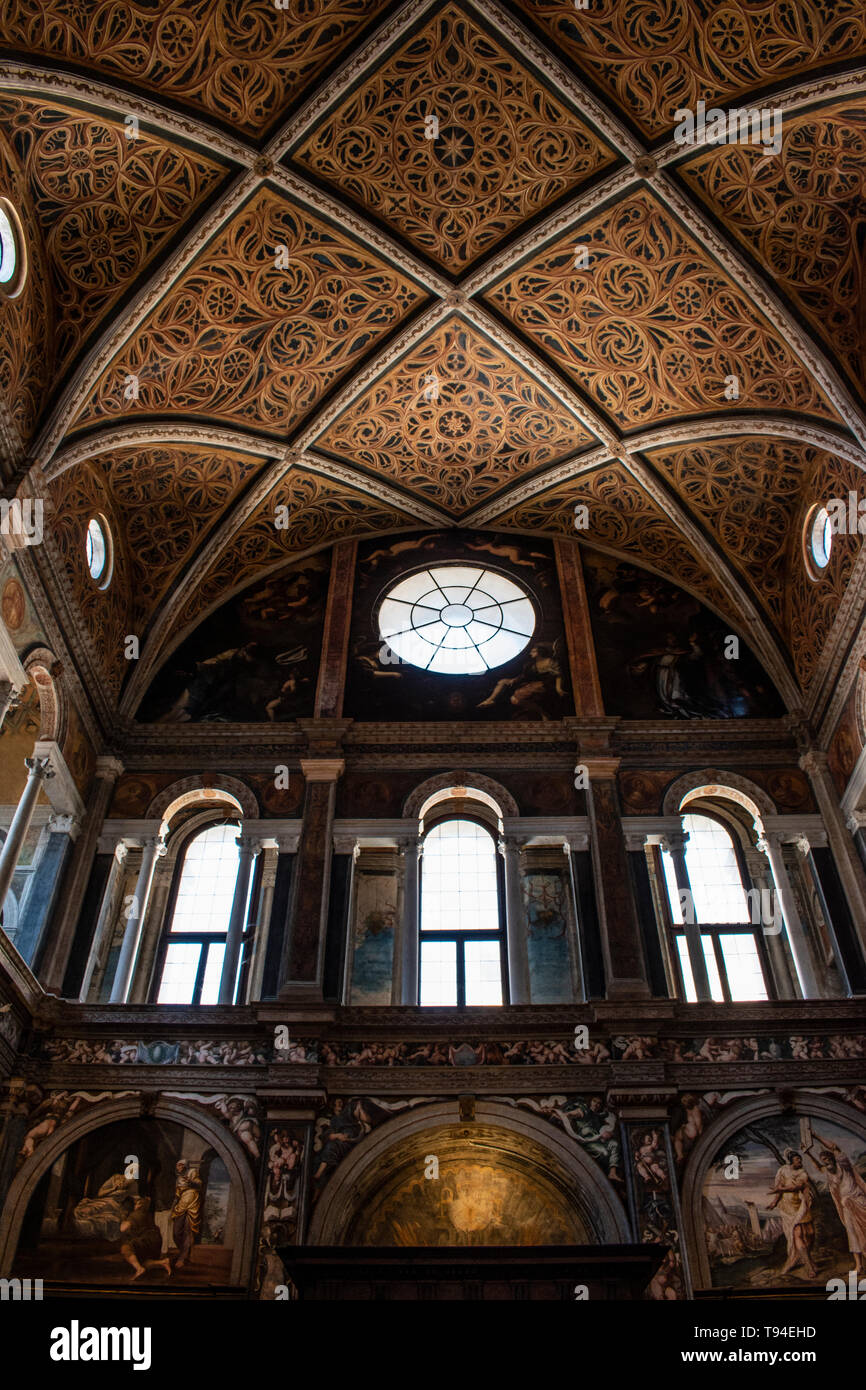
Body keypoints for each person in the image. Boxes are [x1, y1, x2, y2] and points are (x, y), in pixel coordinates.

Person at [804, 1133, 866, 1274]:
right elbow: (819, 1168)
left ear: (832, 1158)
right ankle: (859, 1266)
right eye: (823, 1160)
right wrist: (808, 1154)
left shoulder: (843, 1164)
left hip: (859, 1202)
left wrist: (816, 1136)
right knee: (852, 1235)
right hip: (846, 1208)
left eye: (826, 1158)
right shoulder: (828, 1171)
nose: (825, 1162)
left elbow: (834, 1147)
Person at [767, 1150, 816, 1278]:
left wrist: (780, 1189)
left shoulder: (803, 1173)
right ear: (791, 1161)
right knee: (798, 1234)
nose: (800, 1161)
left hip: (801, 1205)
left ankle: (808, 1259)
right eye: (797, 1159)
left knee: (810, 1233)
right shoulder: (783, 1170)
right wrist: (774, 1202)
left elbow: (798, 1187)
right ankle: (809, 1267)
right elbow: (779, 1187)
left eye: (800, 1159)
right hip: (788, 1208)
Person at [119, 1196, 172, 1281]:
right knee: (143, 1262)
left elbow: (122, 1228)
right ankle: (163, 1262)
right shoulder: (146, 1213)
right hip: (155, 1242)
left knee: (125, 1248)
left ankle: (139, 1269)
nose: (136, 1204)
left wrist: (121, 1220)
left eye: (137, 1202)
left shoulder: (136, 1214)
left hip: (147, 1241)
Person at [170, 1160, 202, 1270]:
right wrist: (172, 1208)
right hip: (181, 1204)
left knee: (188, 1231)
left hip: (192, 1202)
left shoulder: (192, 1172)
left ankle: (183, 1257)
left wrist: (191, 1182)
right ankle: (182, 1252)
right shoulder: (178, 1179)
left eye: (180, 1165)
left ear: (185, 1166)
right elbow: (177, 1195)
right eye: (177, 1165)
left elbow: (199, 1184)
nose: (178, 1167)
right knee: (176, 1232)